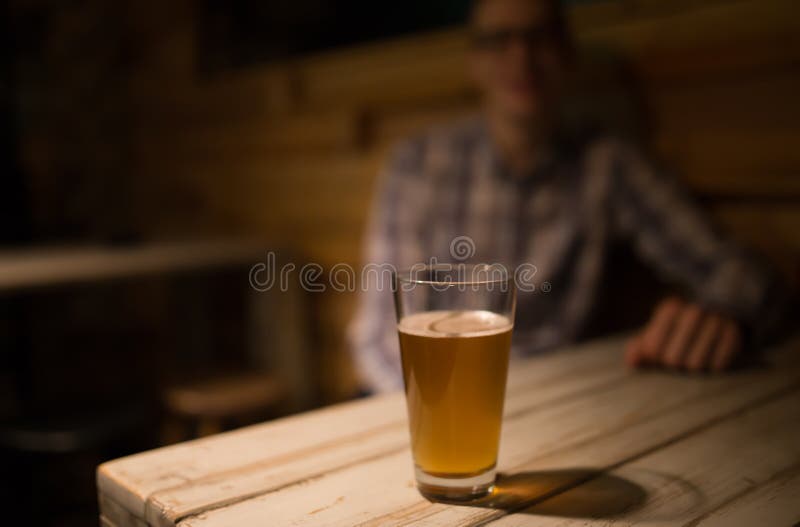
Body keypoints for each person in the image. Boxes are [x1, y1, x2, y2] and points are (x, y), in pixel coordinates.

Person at [347, 0, 786, 393]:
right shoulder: (419, 164)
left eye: (540, 38)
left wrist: (724, 314)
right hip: (427, 402)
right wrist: (434, 411)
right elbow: (381, 334)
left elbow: (741, 271)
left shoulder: (606, 164)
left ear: (566, 55)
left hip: (553, 401)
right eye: (500, 40)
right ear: (474, 62)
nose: (522, 58)